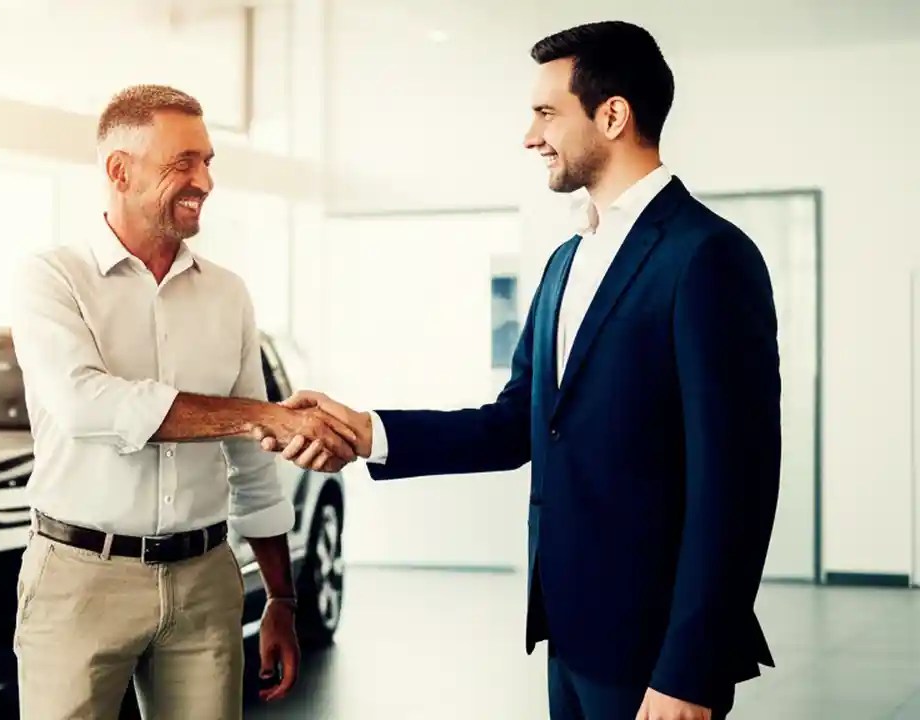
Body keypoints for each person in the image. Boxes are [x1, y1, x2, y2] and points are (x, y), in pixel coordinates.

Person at [260, 21, 781, 720]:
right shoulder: (567, 262)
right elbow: (516, 426)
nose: (530, 136)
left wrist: (691, 667)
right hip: (569, 633)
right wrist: (365, 432)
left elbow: (736, 486)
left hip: (658, 653)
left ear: (613, 115)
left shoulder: (709, 257)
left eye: (545, 113)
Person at [9, 84, 356, 720]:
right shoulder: (52, 278)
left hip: (206, 582)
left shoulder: (228, 294)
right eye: (184, 162)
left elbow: (253, 466)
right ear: (119, 169)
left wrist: (281, 599)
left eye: (208, 161)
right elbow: (88, 405)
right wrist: (264, 415)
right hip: (81, 578)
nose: (205, 180)